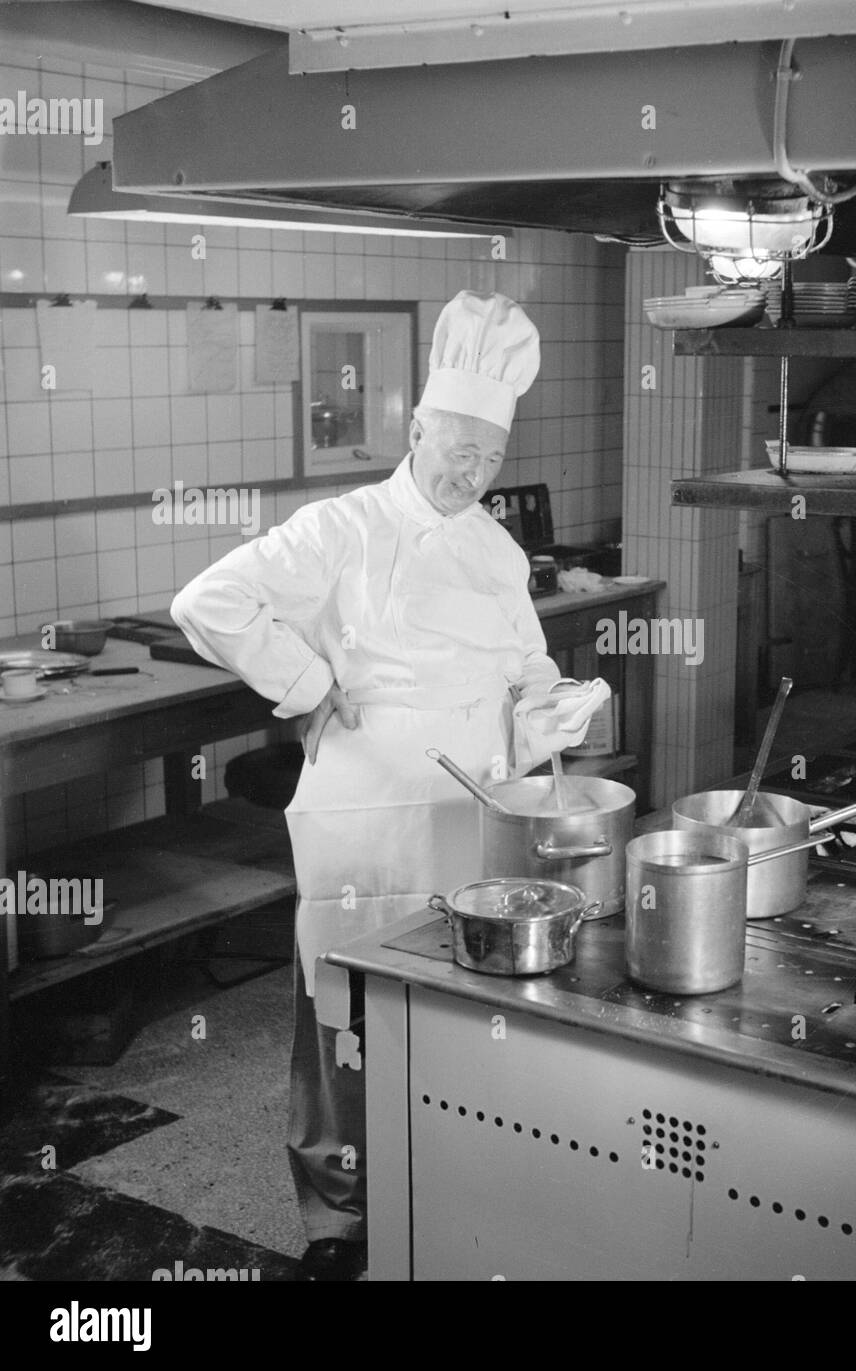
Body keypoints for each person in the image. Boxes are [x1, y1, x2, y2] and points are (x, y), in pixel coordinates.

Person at [172, 292, 605, 1280]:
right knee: (343, 1021)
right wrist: (308, 682)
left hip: (470, 819)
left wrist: (554, 707)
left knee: (457, 1019)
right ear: (414, 428)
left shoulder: (496, 549)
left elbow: (520, 673)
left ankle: (447, 1199)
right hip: (366, 824)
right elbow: (208, 602)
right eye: (455, 451)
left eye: (488, 461)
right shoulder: (343, 529)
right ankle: (338, 1222)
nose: (470, 475)